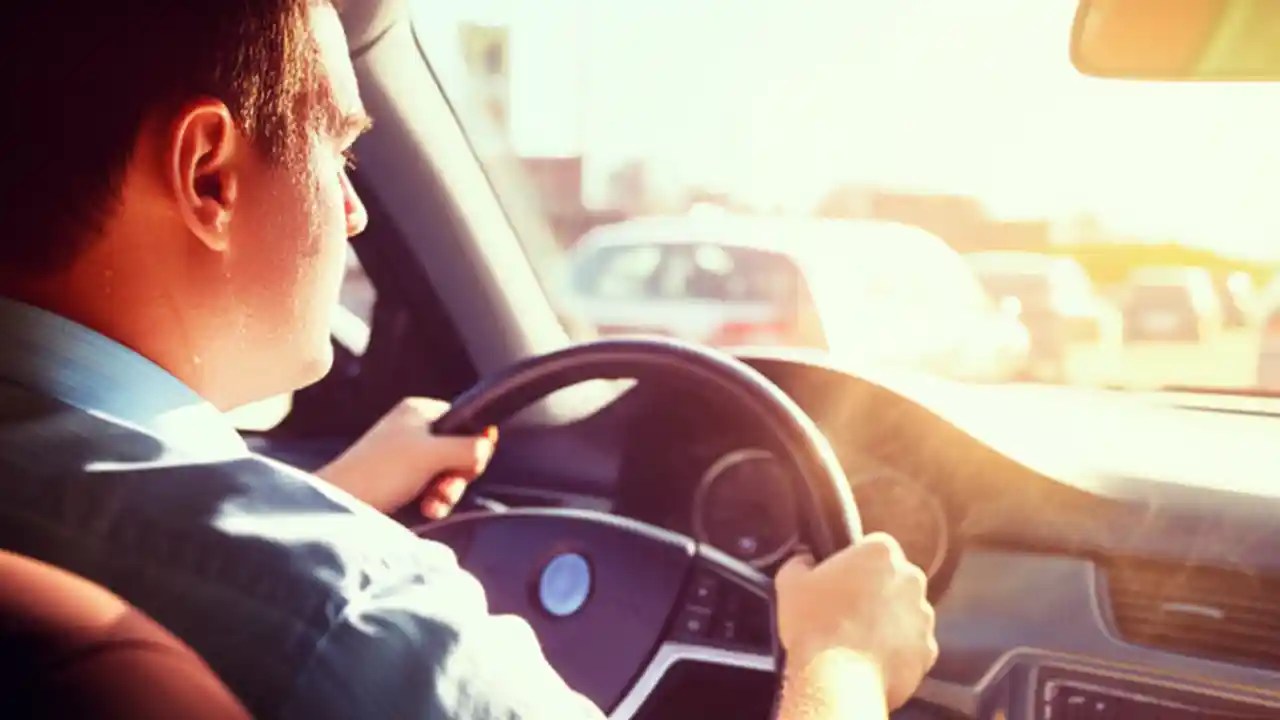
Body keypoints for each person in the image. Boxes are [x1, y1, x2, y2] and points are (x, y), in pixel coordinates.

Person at [0, 1, 937, 719]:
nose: (356, 214)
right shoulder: (360, 619)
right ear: (210, 175)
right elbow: (281, 605)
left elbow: (139, 540)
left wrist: (339, 490)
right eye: (339, 152)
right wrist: (843, 658)